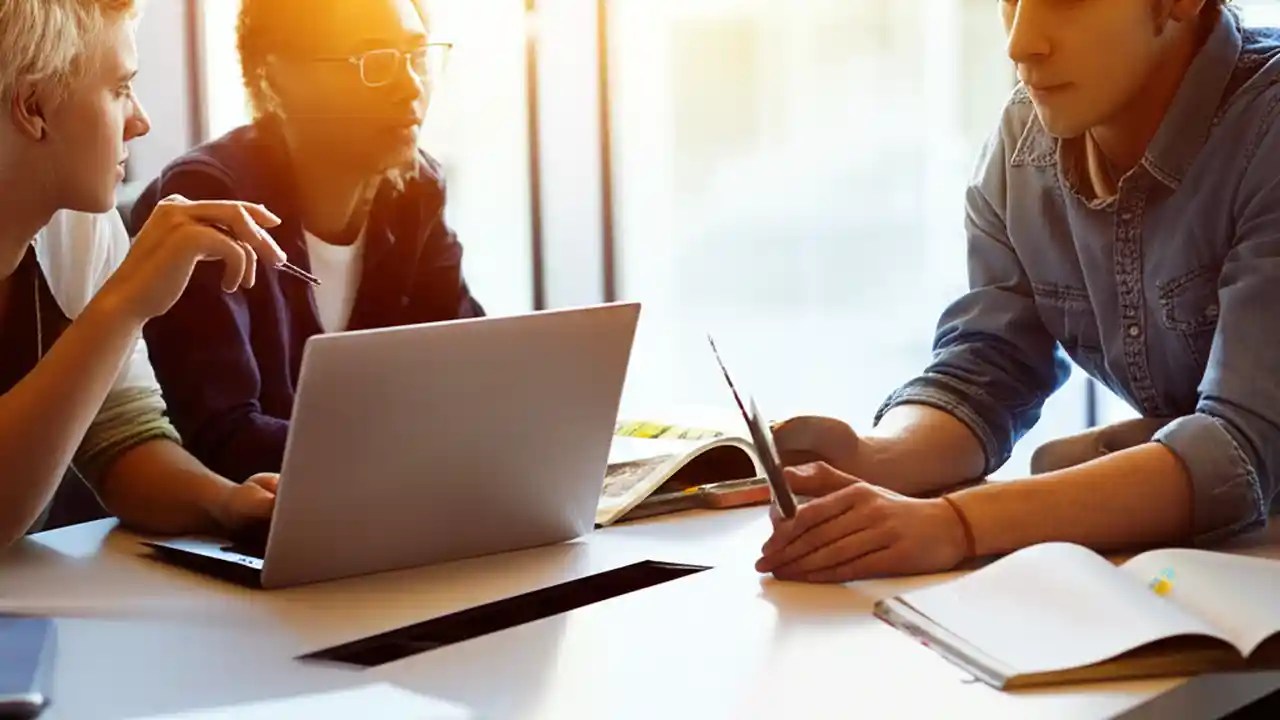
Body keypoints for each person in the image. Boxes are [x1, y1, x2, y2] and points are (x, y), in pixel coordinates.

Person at [757, 0, 1280, 582]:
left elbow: (1241, 449)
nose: (1020, 41)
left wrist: (956, 523)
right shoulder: (1023, 140)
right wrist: (874, 457)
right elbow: (989, 365)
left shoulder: (1270, 130)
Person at [131, 0, 484, 483]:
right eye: (374, 62)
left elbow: (472, 371)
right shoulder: (208, 199)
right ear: (277, 76)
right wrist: (416, 453)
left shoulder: (413, 192)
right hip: (222, 531)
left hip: (377, 511)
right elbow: (221, 437)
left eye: (416, 56)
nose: (412, 87)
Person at [0, 0, 286, 548]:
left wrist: (227, 503)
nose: (141, 120)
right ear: (33, 105)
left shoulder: (81, 227)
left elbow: (122, 437)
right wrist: (123, 303)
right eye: (120, 88)